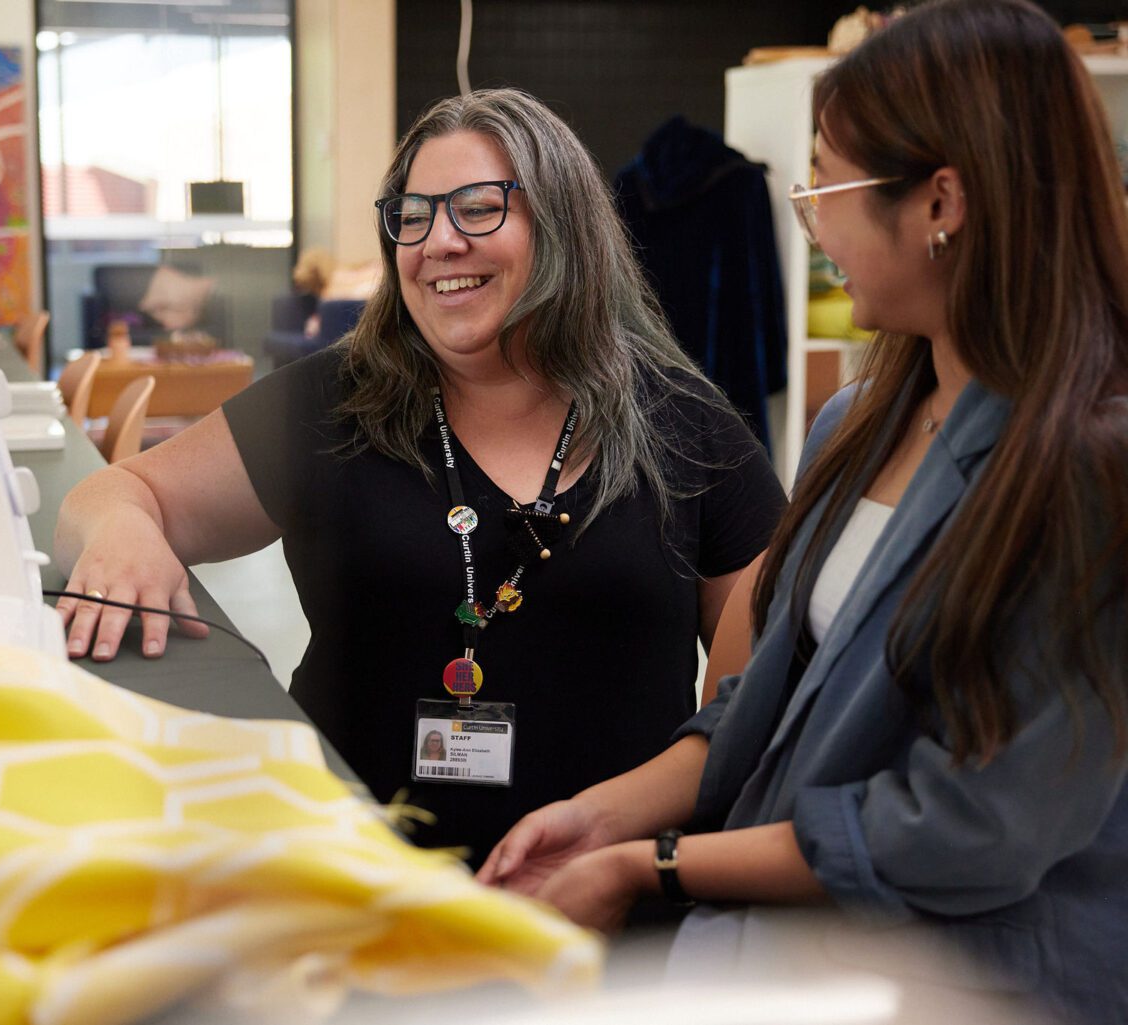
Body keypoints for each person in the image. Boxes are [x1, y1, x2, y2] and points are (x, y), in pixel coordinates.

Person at [477, 3, 1128, 1021]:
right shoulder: (853, 425)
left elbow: (971, 823)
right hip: (806, 959)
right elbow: (774, 701)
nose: (810, 211)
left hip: (982, 984)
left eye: (828, 179)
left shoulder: (1089, 470)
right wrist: (596, 816)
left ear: (941, 203)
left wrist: (652, 866)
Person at [54, 88, 784, 865]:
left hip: (605, 905)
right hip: (352, 881)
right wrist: (122, 528)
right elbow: (110, 494)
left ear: (565, 223)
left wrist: (622, 858)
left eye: (476, 208)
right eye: (413, 214)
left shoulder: (684, 424)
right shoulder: (335, 402)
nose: (437, 241)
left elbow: (757, 708)